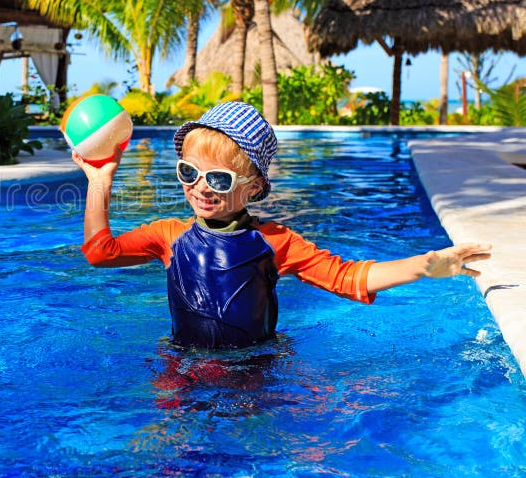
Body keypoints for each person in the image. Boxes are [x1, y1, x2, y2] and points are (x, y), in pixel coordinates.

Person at [73, 101, 492, 349]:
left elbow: (348, 278)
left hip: (255, 368)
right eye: (188, 172)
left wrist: (426, 265)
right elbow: (99, 252)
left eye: (218, 179)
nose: (200, 188)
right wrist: (100, 181)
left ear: (253, 188)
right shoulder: (170, 236)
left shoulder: (274, 242)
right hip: (182, 364)